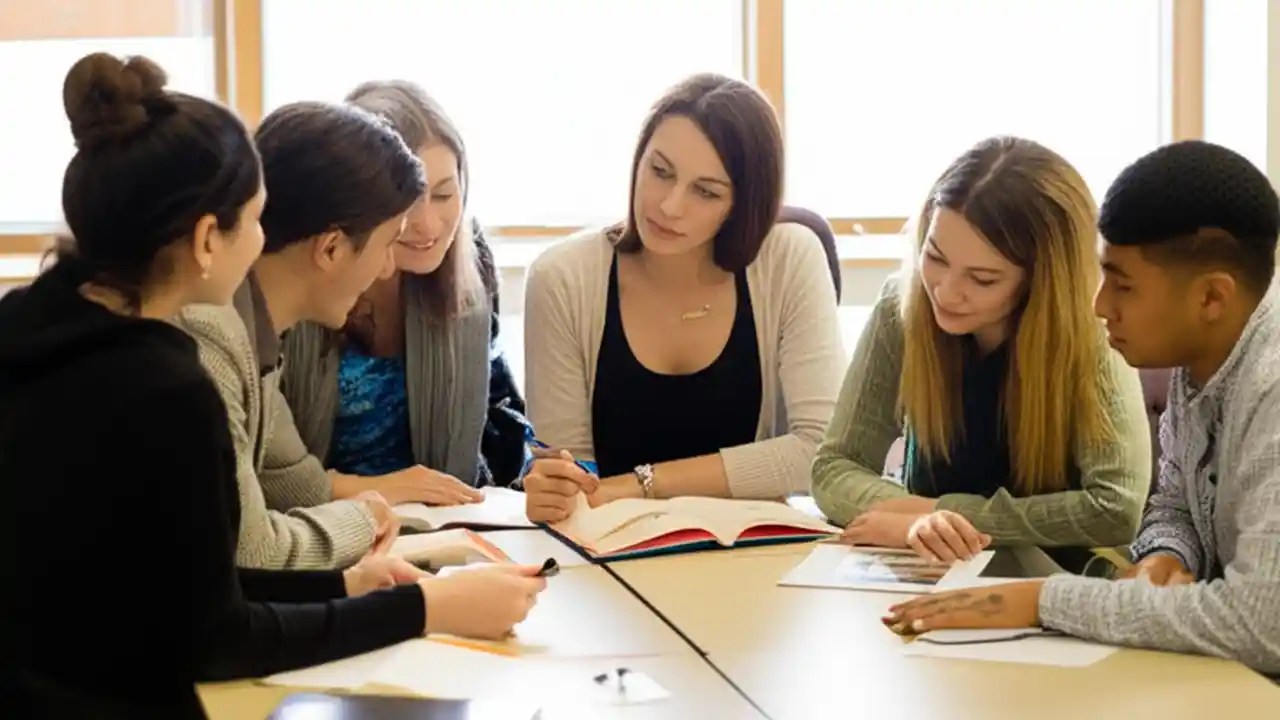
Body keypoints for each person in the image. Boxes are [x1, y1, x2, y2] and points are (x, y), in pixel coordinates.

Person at [0, 53, 546, 719]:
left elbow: (195, 584)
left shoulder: (37, 325)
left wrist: (346, 584)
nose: (264, 241)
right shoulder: (170, 381)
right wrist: (423, 608)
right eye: (257, 221)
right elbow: (216, 636)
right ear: (208, 240)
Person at [883, 140, 1280, 675]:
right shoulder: (1201, 355)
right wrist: (1167, 556)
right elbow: (1174, 505)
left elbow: (1263, 624)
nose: (1099, 305)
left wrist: (1040, 602)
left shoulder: (1270, 384)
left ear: (1211, 297)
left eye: (1123, 285)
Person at [812, 136, 1151, 571]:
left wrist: (937, 516)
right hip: (929, 571)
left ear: (1041, 281)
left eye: (984, 278)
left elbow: (1115, 508)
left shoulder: (1091, 333)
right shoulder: (902, 307)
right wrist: (921, 522)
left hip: (1060, 585)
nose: (946, 293)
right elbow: (834, 466)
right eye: (935, 256)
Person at [520, 73, 844, 522]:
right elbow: (575, 476)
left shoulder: (789, 258)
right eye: (660, 171)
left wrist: (643, 483)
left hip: (752, 552)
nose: (669, 205)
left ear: (743, 202)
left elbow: (822, 453)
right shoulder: (563, 278)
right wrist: (554, 488)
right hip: (611, 546)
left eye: (706, 191)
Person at [174, 99, 429, 570]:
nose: (389, 268)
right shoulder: (210, 336)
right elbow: (254, 551)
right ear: (331, 248)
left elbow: (294, 484)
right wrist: (364, 519)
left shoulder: (255, 325)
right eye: (388, 243)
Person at [280, 79, 531, 505]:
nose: (429, 226)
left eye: (445, 194)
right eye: (410, 201)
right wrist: (381, 491)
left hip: (440, 525)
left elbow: (500, 431)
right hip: (320, 524)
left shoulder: (473, 267)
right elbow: (263, 471)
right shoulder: (298, 278)